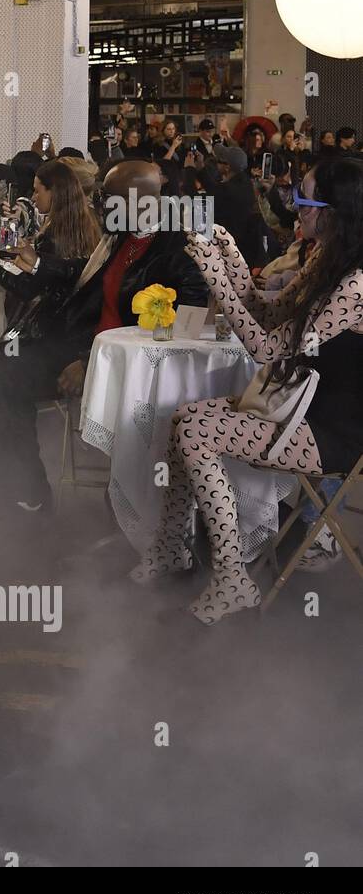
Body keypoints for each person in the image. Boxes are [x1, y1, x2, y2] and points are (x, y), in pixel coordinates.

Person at [132, 156, 363, 623]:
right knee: (184, 418)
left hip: (334, 431)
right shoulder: (324, 257)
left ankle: (232, 579)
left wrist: (216, 275)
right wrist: (232, 257)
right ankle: (172, 547)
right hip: (296, 407)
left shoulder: (356, 284)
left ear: (336, 211)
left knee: (197, 431)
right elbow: (267, 312)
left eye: (303, 201)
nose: (292, 209)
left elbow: (268, 349)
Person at [0, 161, 208, 513]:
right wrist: (41, 263)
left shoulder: (180, 248)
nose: (100, 204)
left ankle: (128, 510)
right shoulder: (122, 234)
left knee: (7, 372)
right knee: (5, 369)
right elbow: (89, 271)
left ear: (140, 200)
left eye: (109, 197)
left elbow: (184, 333)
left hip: (130, 367)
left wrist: (91, 363)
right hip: (86, 344)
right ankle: (23, 491)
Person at [0, 161, 102, 508]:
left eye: (38, 188)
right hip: (63, 343)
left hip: (55, 348)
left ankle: (25, 490)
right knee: (4, 376)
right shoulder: (85, 231)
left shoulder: (56, 238)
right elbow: (35, 285)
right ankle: (20, 490)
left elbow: (29, 289)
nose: (33, 195)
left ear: (54, 192)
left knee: (4, 380)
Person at [190, 142, 267, 267]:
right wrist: (201, 168)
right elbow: (216, 188)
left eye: (219, 161)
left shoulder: (230, 189)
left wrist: (191, 169)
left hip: (231, 250)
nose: (216, 163)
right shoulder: (245, 182)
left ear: (227, 167)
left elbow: (215, 192)